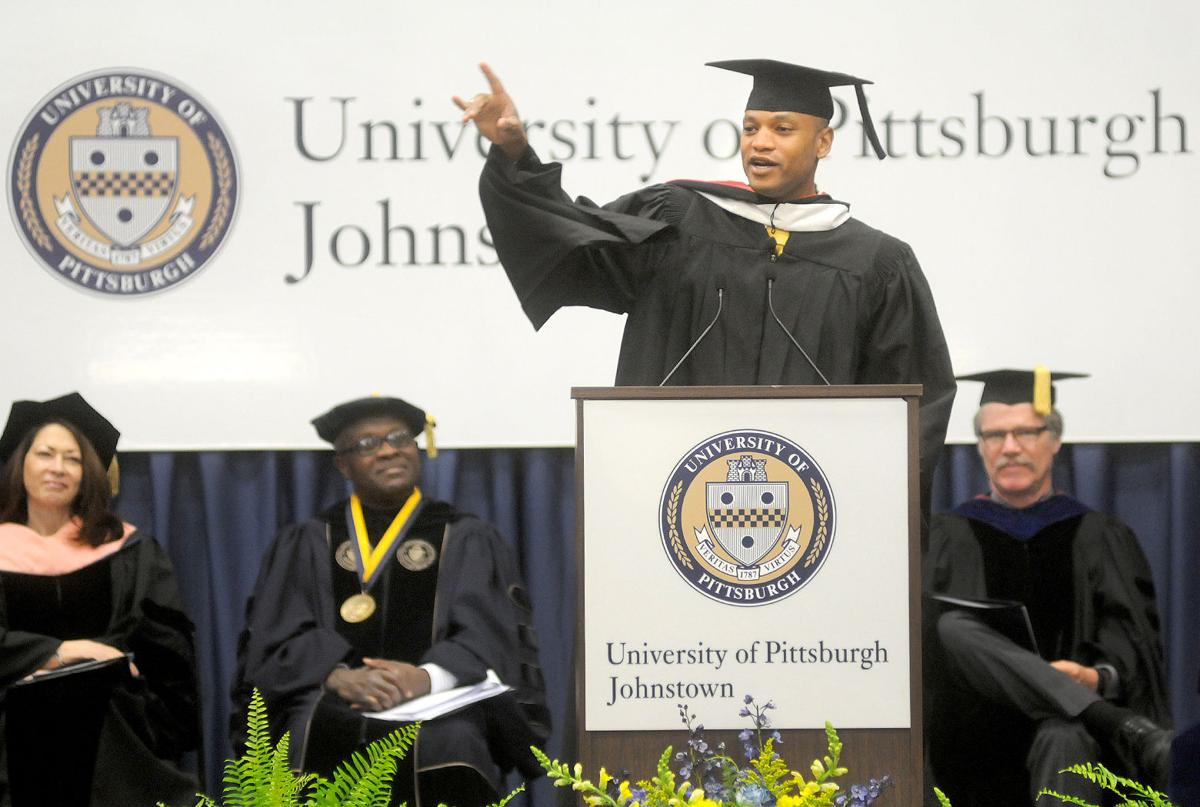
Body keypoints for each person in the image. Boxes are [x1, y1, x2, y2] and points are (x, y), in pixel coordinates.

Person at [455, 60, 955, 508]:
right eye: (750, 128)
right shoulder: (678, 221)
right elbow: (568, 241)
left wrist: (875, 506)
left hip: (814, 512)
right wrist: (515, 151)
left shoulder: (876, 263)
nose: (760, 142)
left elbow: (911, 404)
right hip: (669, 494)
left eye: (783, 129)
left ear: (823, 142)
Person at [231, 395, 550, 807]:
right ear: (342, 464)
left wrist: (426, 678)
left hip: (438, 709)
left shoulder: (466, 537)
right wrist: (336, 675)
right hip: (332, 699)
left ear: (417, 447)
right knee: (305, 729)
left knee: (454, 741)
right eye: (366, 444)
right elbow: (277, 638)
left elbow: (489, 634)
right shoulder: (308, 540)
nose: (387, 450)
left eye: (399, 437)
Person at [923, 368, 1173, 806]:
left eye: (1026, 432)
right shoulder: (948, 535)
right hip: (977, 726)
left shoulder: (1098, 535)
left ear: (1054, 440)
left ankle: (1086, 710)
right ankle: (1118, 724)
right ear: (980, 446)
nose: (1010, 447)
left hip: (1074, 734)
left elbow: (1129, 636)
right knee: (952, 629)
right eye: (994, 435)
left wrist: (1095, 676)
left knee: (1066, 734)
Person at [0, 392, 199, 807]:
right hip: (8, 741)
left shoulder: (127, 548)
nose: (58, 468)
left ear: (88, 471)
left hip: (115, 739)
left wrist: (119, 671)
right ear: (21, 464)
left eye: (72, 458)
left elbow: (167, 649)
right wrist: (57, 652)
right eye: (45, 454)